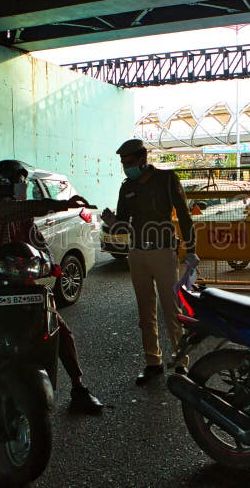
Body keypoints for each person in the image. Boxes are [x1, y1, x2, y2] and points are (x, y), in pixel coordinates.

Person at [0, 160, 103, 414]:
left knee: (58, 328)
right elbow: (26, 209)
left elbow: (35, 239)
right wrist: (63, 204)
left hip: (20, 281)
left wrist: (51, 263)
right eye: (21, 181)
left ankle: (79, 386)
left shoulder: (22, 212)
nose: (25, 185)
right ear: (5, 184)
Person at [101, 139, 198, 385]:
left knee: (171, 309)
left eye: (130, 162)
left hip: (163, 251)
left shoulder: (167, 180)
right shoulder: (127, 187)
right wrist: (113, 222)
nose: (126, 167)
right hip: (137, 252)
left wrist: (191, 249)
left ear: (143, 158)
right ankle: (152, 362)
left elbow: (185, 216)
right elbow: (123, 222)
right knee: (145, 311)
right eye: (123, 163)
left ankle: (180, 363)